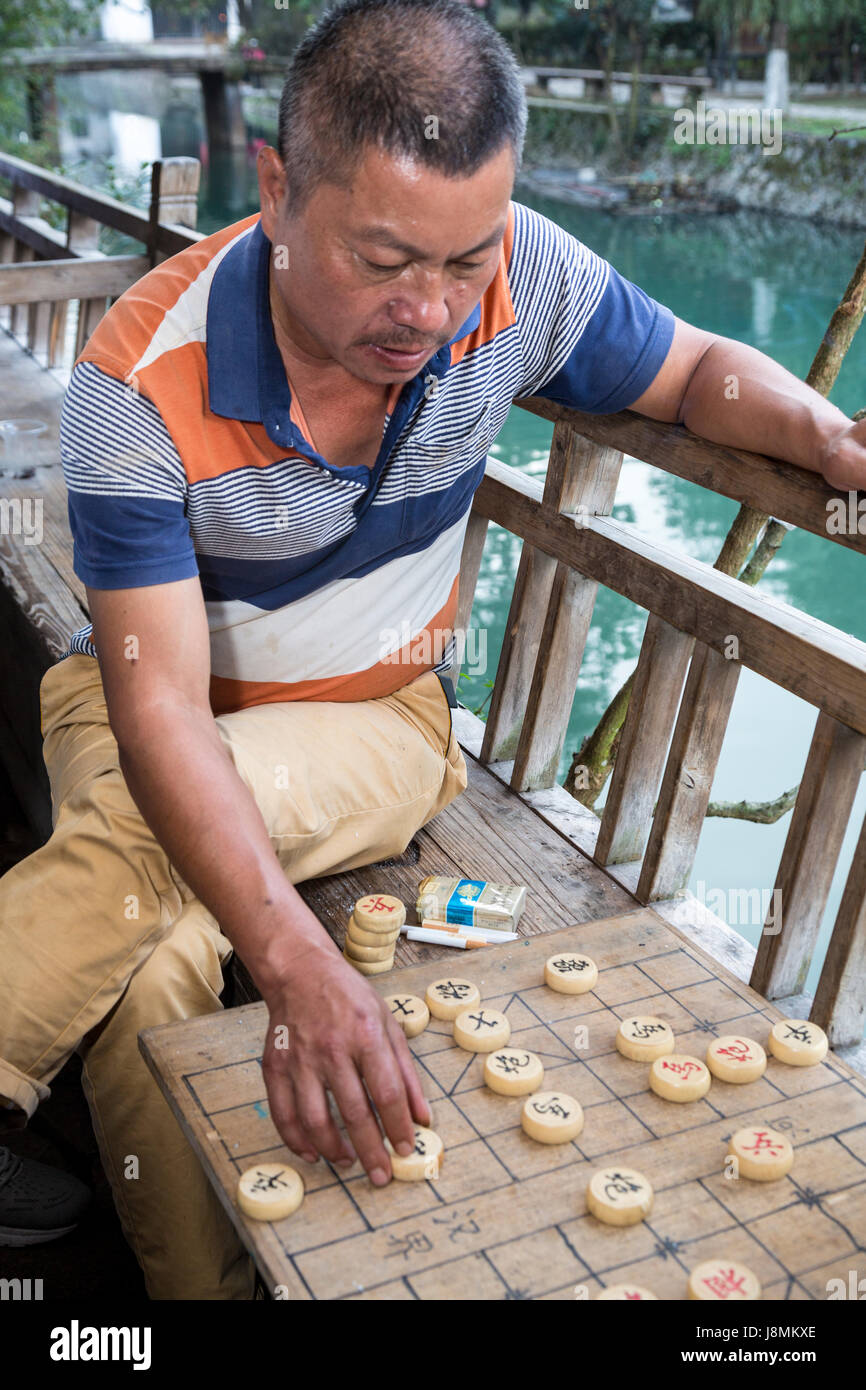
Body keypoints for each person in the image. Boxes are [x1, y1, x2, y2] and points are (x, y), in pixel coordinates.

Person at [0, 0, 863, 1299]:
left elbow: (690, 373)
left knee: (150, 862)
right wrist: (293, 957)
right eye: (386, 257)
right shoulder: (137, 380)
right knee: (162, 944)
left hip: (374, 719)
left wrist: (828, 442)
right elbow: (161, 712)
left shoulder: (523, 276)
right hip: (130, 706)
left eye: (464, 261)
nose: (430, 310)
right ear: (279, 190)